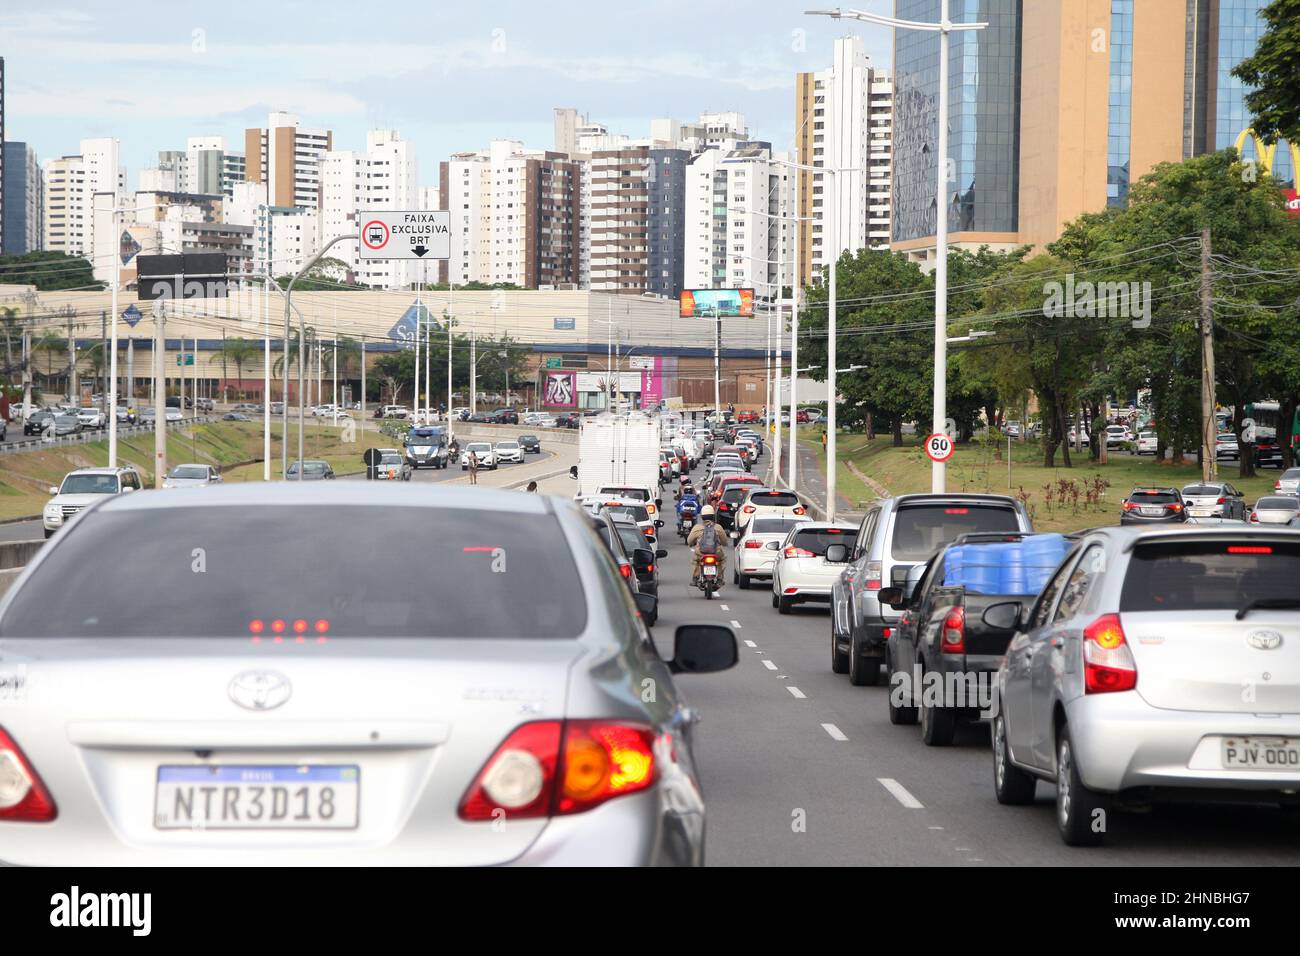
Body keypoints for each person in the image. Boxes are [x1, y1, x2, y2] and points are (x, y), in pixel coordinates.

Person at [687, 505, 725, 586]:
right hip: (716, 552)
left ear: (702, 516)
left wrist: (691, 544)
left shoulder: (697, 527)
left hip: (701, 552)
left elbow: (689, 540)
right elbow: (724, 541)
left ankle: (695, 578)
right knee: (721, 560)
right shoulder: (718, 527)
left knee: (696, 561)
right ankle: (719, 578)